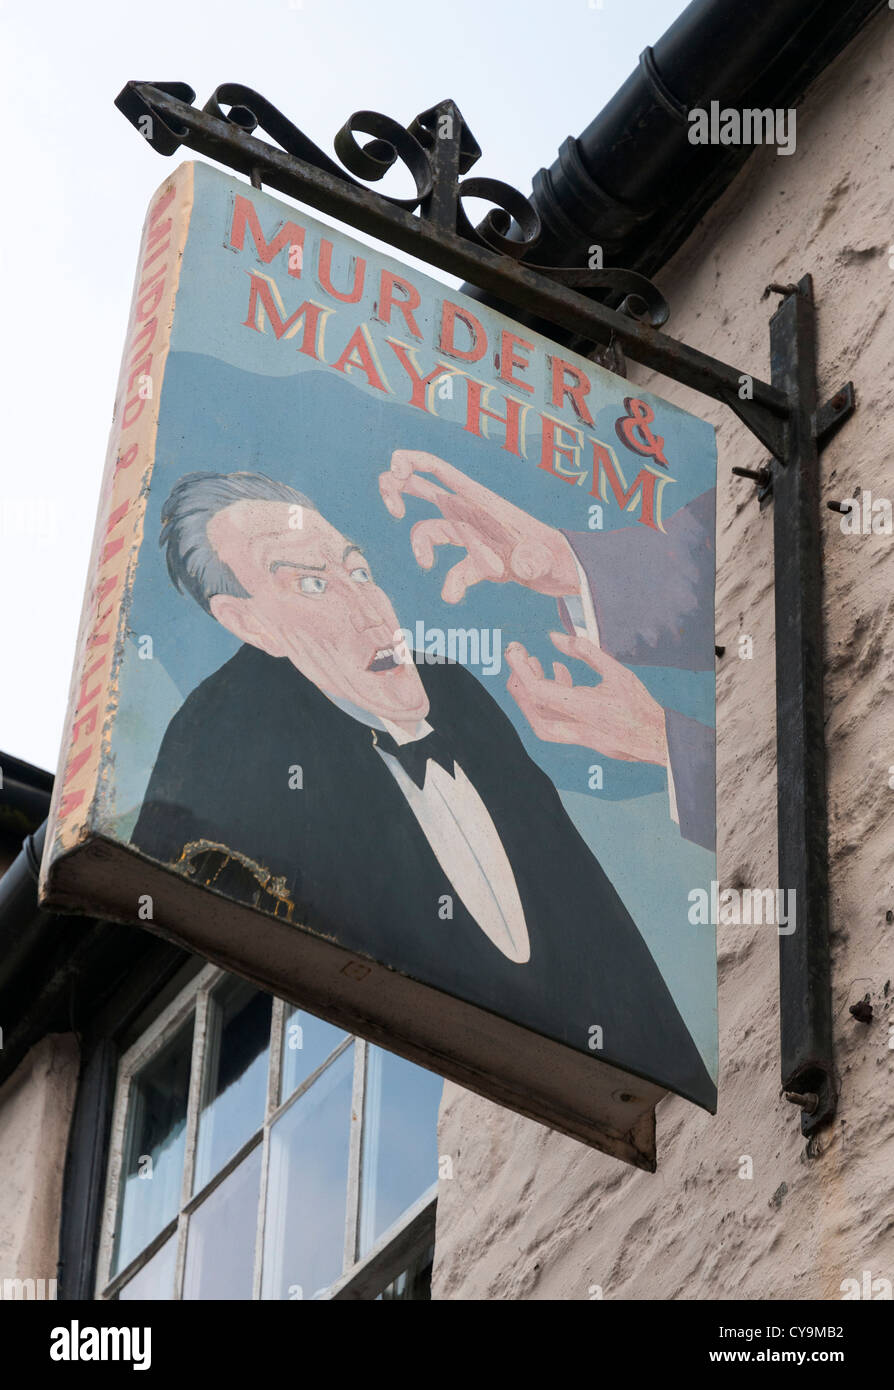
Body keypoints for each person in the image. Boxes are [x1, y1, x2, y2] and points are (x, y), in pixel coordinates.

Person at [132, 468, 716, 1109]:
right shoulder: (217, 755)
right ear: (248, 623)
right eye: (309, 583)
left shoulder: (460, 701)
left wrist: (685, 1088)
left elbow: (596, 922)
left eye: (359, 572)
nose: (369, 610)